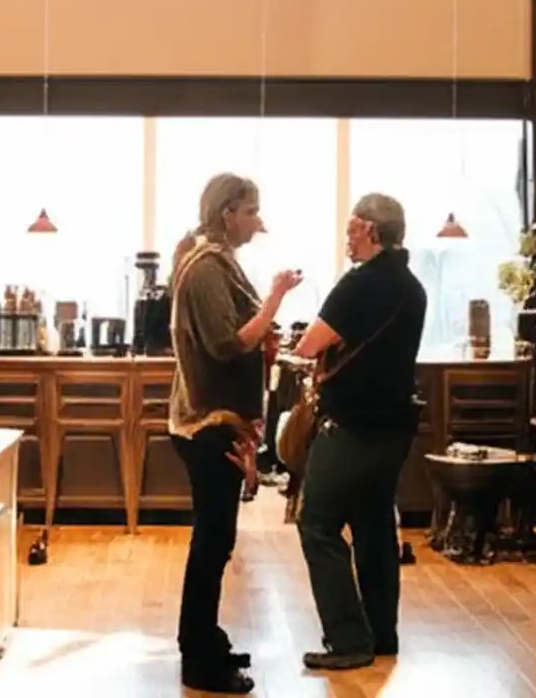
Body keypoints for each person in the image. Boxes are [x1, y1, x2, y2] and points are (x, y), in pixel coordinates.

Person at [168, 172, 302, 694]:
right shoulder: (205, 270)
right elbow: (227, 344)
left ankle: (205, 637)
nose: (259, 222)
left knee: (216, 540)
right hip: (209, 425)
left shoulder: (213, 261)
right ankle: (199, 657)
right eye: (251, 211)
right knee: (212, 541)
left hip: (220, 420)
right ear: (227, 212)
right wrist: (274, 299)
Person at [291, 192, 428, 670]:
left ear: (372, 229)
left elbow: (310, 345)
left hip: (351, 426)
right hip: (395, 429)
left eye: (352, 229)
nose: (347, 239)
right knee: (373, 529)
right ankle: (382, 633)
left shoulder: (360, 283)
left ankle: (348, 639)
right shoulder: (412, 286)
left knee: (317, 524)